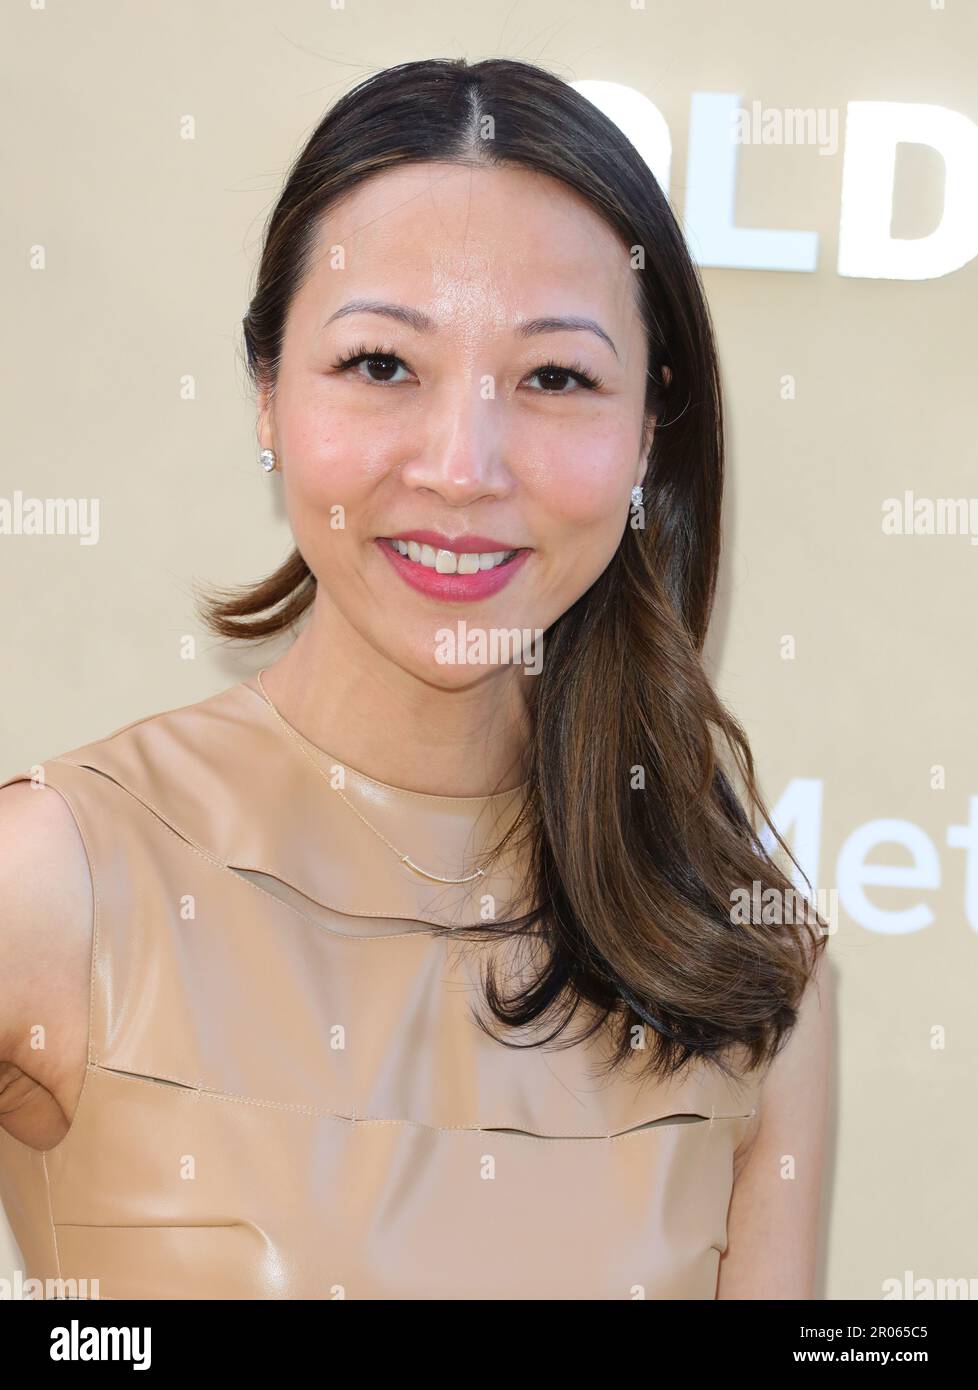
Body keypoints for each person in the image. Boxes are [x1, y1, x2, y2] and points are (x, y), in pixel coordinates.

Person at [0, 56, 831, 1300]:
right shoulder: (54, 882)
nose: (462, 464)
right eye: (384, 364)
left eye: (555, 378)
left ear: (650, 431)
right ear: (268, 393)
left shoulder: (743, 962)